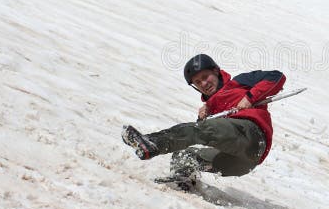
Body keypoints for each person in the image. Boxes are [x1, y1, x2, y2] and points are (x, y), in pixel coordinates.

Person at [122, 54, 286, 185]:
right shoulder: (209, 109)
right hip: (239, 163)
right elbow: (197, 137)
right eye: (198, 82)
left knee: (200, 130)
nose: (204, 83)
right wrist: (203, 118)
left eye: (205, 76)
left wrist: (249, 97)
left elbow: (276, 77)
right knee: (184, 154)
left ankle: (152, 143)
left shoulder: (238, 82)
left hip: (250, 135)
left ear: (216, 71)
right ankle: (183, 179)